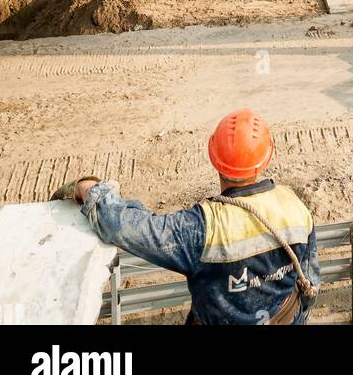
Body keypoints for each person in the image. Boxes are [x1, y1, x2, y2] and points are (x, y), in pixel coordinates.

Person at [71, 110, 320, 325]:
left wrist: (89, 188)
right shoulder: (295, 207)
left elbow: (122, 225)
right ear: (266, 157)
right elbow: (310, 282)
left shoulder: (201, 229)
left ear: (215, 159)